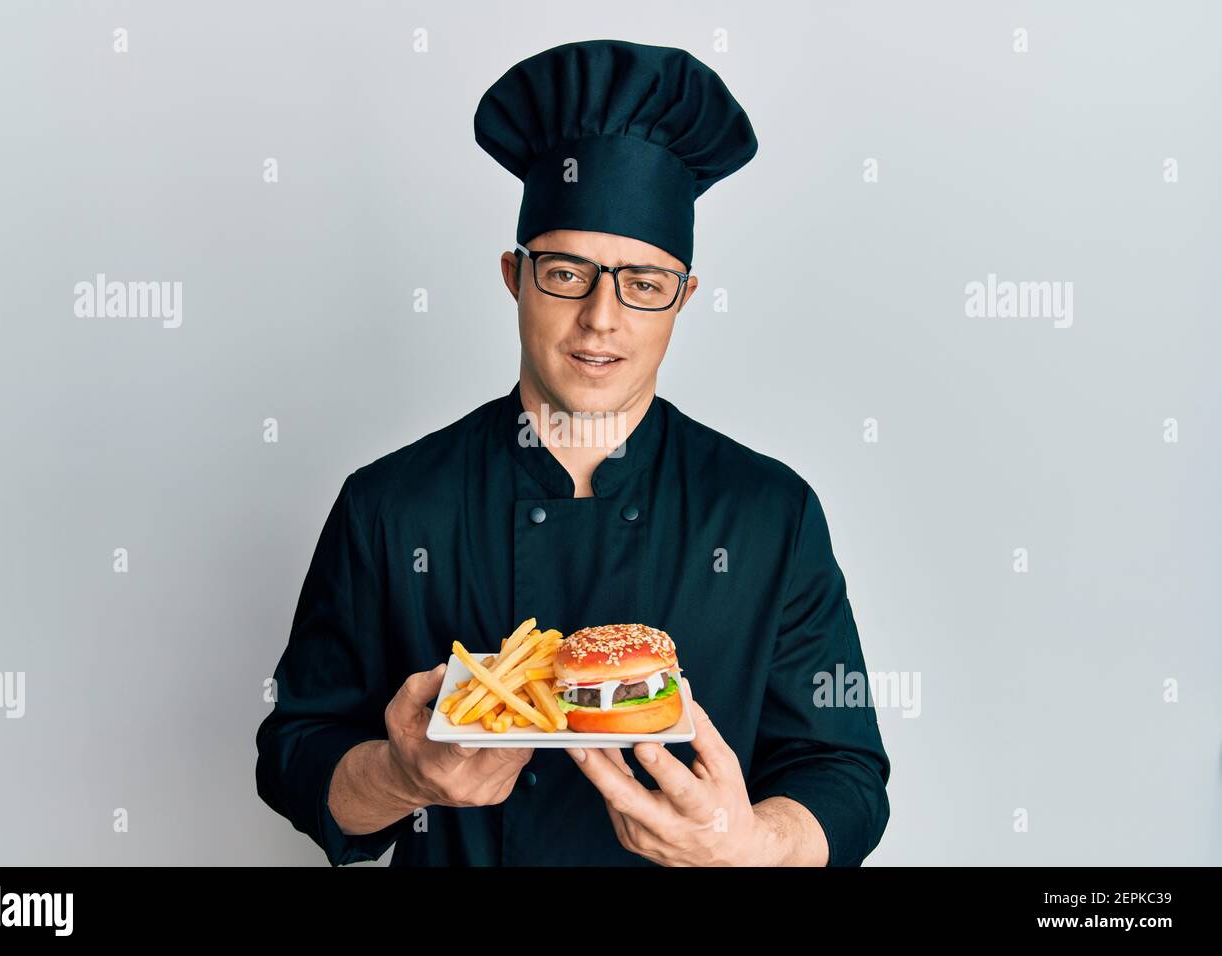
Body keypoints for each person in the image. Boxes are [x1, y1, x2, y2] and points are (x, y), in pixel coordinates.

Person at [256, 38, 890, 866]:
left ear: (683, 298)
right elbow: (295, 756)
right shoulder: (392, 504)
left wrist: (755, 845)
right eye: (566, 274)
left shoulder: (769, 511)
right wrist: (403, 775)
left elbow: (845, 773)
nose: (602, 318)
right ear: (514, 276)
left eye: (645, 283)